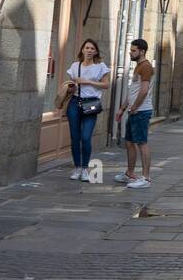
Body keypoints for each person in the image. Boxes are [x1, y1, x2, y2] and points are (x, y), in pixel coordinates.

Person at [64, 39, 110, 181]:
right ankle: (77, 168)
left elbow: (106, 85)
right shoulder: (75, 66)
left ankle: (85, 168)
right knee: (75, 137)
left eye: (92, 48)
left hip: (91, 104)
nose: (89, 50)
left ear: (95, 51)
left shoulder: (100, 66)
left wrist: (88, 81)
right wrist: (71, 87)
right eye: (87, 48)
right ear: (82, 50)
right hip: (75, 103)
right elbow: (72, 85)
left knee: (85, 137)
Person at [114, 39, 154, 189]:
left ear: (142, 51)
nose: (130, 53)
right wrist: (122, 109)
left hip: (141, 111)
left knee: (142, 143)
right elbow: (133, 91)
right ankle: (130, 174)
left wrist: (136, 107)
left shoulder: (146, 67)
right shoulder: (139, 67)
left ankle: (146, 178)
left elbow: (144, 90)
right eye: (130, 50)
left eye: (133, 51)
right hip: (134, 110)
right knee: (129, 142)